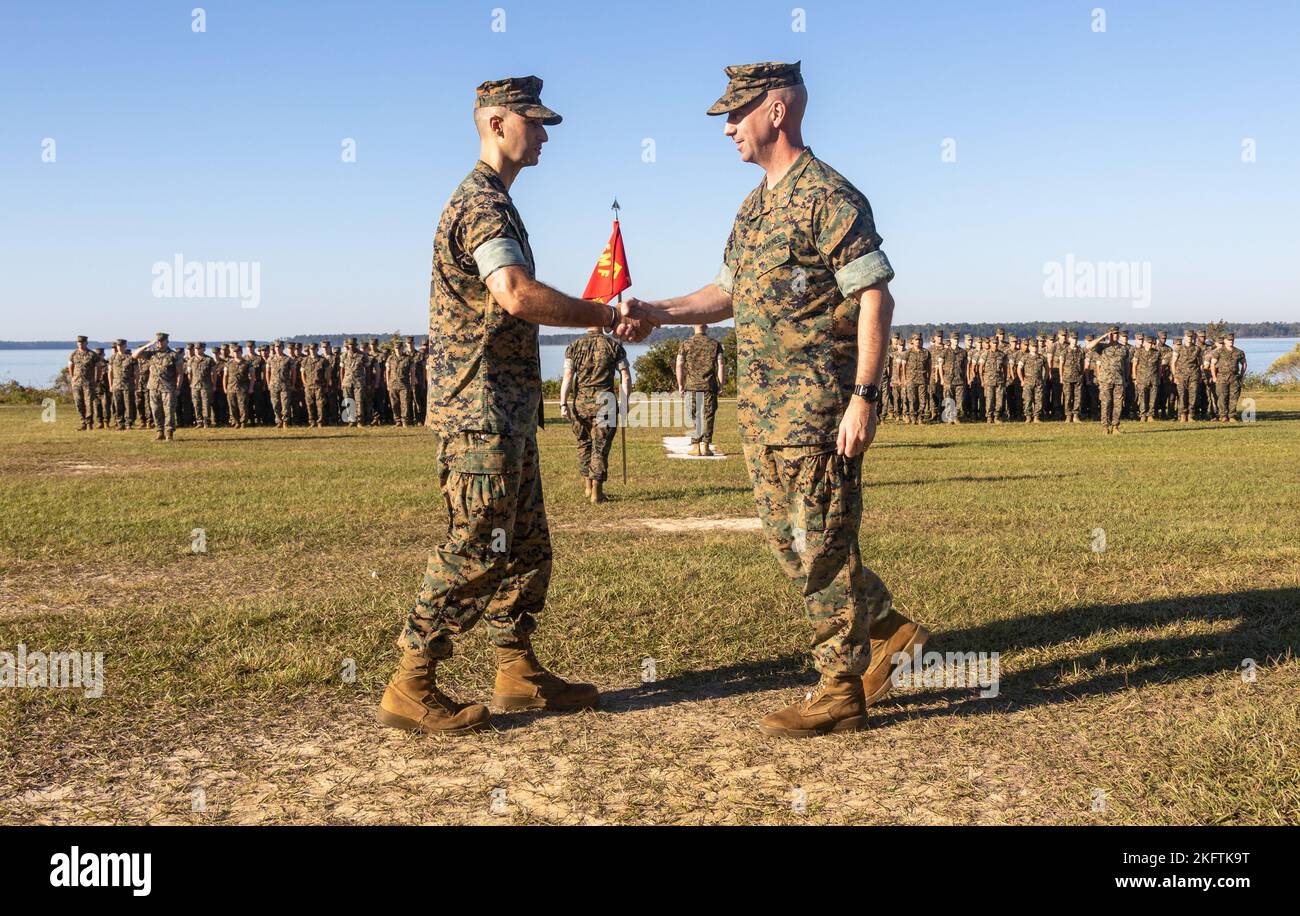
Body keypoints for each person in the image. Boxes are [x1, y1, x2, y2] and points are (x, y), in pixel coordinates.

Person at [625, 61, 928, 738]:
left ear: (777, 111)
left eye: (737, 113)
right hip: (761, 416)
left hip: (818, 411)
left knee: (822, 546)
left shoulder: (829, 197)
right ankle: (894, 631)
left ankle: (838, 689)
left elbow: (875, 296)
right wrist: (655, 308)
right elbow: (723, 293)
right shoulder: (755, 206)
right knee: (791, 547)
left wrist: (865, 397)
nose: (728, 127)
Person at [378, 74, 653, 736]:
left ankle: (517, 671)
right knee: (474, 541)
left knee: (526, 545)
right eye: (534, 121)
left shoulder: (498, 203)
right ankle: (411, 682)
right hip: (479, 412)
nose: (545, 133)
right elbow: (514, 292)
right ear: (495, 123)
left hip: (506, 411)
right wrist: (599, 316)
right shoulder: (481, 205)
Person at [561, 326, 630, 502]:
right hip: (605, 402)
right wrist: (624, 402)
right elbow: (626, 377)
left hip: (580, 403)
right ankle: (596, 493)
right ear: (602, 324)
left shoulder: (574, 346)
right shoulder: (614, 346)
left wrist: (563, 403)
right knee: (600, 447)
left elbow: (568, 376)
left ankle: (587, 486)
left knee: (584, 444)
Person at [676, 324, 725, 454]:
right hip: (710, 385)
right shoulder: (715, 344)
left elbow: (679, 365)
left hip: (691, 386)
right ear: (706, 327)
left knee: (693, 415)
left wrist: (680, 384)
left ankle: (695, 445)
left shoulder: (685, 344)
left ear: (693, 326)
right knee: (708, 415)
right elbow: (720, 364)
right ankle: (706, 446)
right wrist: (721, 384)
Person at [67, 335, 99, 431]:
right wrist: (72, 377)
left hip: (88, 382)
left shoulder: (92, 354)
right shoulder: (73, 354)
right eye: (79, 342)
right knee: (79, 403)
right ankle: (83, 422)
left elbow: (98, 367)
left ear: (86, 343)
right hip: (76, 382)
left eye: (82, 342)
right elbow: (70, 366)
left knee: (89, 403)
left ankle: (89, 423)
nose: (80, 344)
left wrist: (97, 379)